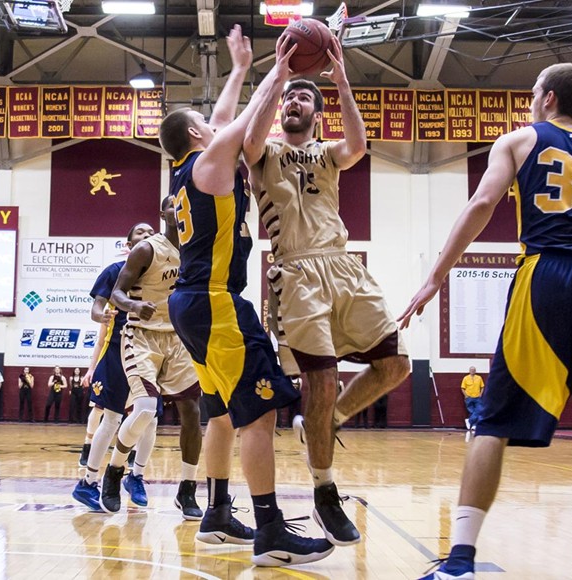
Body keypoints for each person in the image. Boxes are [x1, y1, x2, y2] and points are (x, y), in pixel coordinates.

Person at [398, 63, 572, 580]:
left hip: (544, 275)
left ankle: (460, 562)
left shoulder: (518, 140)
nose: (532, 100)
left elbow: (483, 203)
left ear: (548, 98)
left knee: (492, 423)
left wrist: (436, 276)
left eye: (534, 93)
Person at [162, 28, 333, 565]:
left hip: (193, 304)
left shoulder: (188, 169)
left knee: (218, 413)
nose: (215, 122)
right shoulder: (210, 161)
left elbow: (225, 117)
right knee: (259, 415)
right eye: (205, 121)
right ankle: (271, 531)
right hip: (215, 302)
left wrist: (238, 69)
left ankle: (216, 515)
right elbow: (243, 120)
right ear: (197, 133)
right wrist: (278, 72)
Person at [243, 40, 411, 547]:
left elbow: (357, 145)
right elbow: (250, 140)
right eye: (288, 99)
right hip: (296, 271)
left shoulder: (328, 153)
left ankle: (328, 420)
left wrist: (340, 81)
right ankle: (324, 491)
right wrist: (278, 75)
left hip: (343, 264)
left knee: (395, 365)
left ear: (317, 114)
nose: (293, 102)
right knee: (321, 380)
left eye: (302, 97)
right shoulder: (265, 153)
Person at [98, 194, 205, 518]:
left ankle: (187, 488)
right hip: (142, 336)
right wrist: (133, 305)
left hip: (179, 337)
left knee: (192, 412)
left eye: (183, 205)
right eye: (173, 205)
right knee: (145, 409)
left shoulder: (196, 249)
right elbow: (116, 292)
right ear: (163, 213)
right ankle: (115, 470)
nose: (179, 209)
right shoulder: (147, 249)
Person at [73, 222, 155, 498]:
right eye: (140, 232)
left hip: (150, 352)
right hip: (118, 349)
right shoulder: (114, 271)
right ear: (129, 245)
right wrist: (101, 315)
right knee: (110, 419)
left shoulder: (160, 275)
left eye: (151, 233)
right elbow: (96, 308)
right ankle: (89, 481)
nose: (147, 235)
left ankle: (136, 476)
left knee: (150, 418)